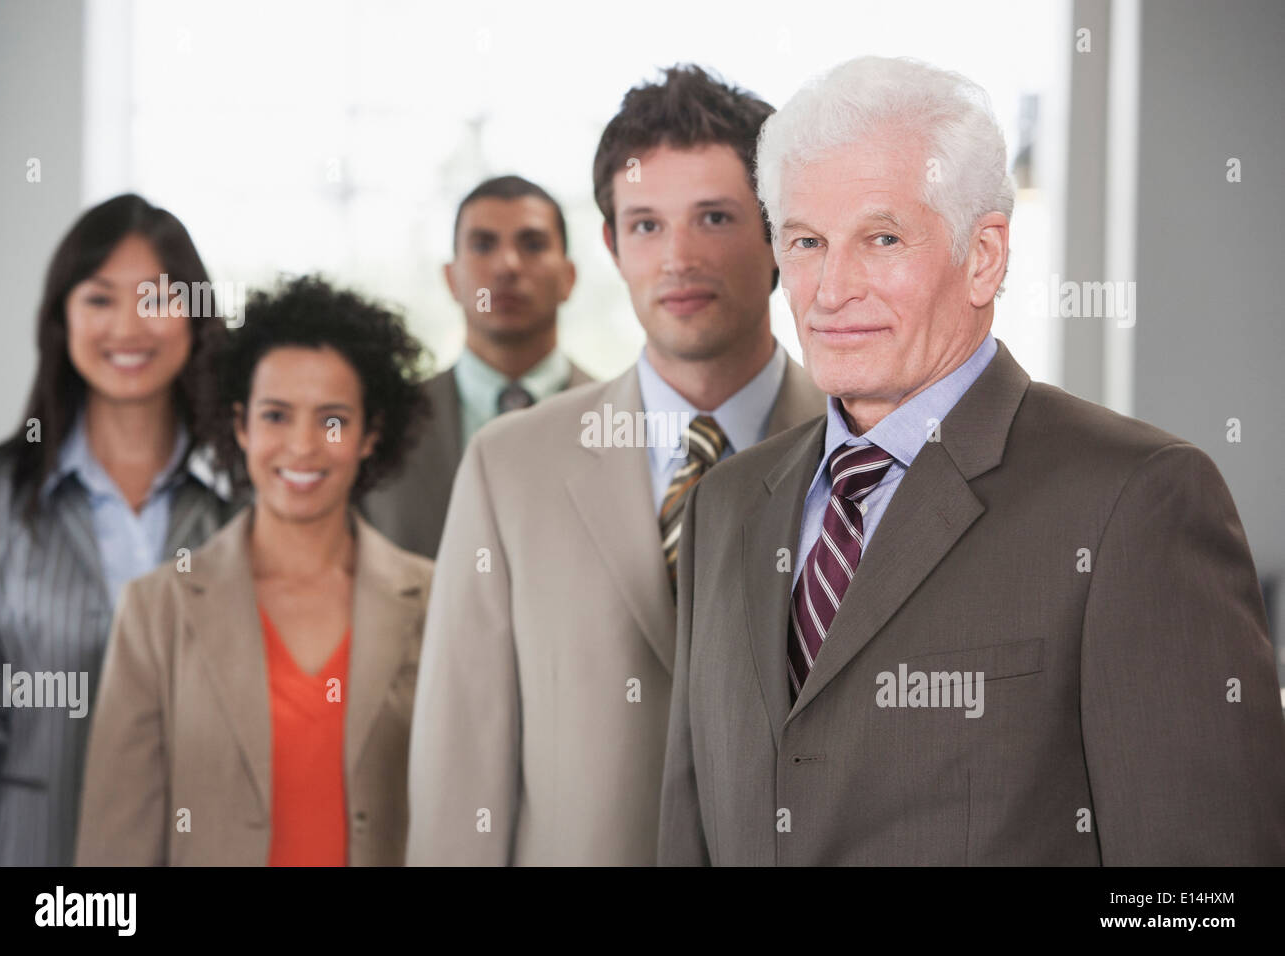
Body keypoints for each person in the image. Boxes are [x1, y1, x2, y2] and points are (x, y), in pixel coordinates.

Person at [658, 56, 1285, 866]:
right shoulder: (728, 502)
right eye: (807, 241)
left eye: (881, 238)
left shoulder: (1137, 500)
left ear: (984, 256)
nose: (831, 288)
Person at [406, 64, 826, 866]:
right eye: (646, 225)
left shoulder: (860, 459)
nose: (678, 258)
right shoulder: (510, 468)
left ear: (779, 234)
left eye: (713, 217)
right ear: (610, 245)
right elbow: (462, 765)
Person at [75, 275, 434, 865]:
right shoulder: (156, 610)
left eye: (333, 419)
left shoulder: (435, 601)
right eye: (275, 415)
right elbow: (115, 845)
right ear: (241, 426)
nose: (301, 446)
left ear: (371, 433)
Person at [0, 194, 233, 866]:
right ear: (62, 320)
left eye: (156, 299)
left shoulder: (246, 504)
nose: (129, 326)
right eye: (100, 299)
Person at [365, 175, 592, 558]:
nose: (507, 266)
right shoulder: (383, 426)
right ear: (451, 279)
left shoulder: (629, 421)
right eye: (483, 245)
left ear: (568, 278)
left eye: (532, 244)